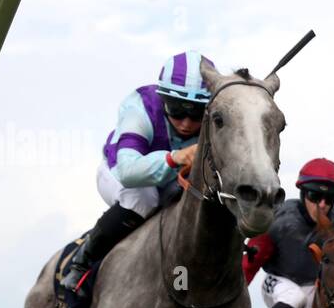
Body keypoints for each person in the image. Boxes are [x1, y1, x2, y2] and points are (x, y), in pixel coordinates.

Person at [61, 51, 217, 292]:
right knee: (143, 199)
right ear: (164, 99)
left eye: (197, 112)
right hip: (121, 174)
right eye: (176, 109)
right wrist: (174, 158)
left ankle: (189, 280)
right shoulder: (140, 106)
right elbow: (129, 171)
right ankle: (82, 262)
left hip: (170, 181)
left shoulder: (219, 117)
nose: (186, 122)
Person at [242, 157, 334, 308]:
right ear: (302, 193)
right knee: (294, 298)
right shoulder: (279, 220)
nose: (322, 205)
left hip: (313, 287)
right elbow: (248, 267)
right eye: (314, 195)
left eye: (329, 199)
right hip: (279, 282)